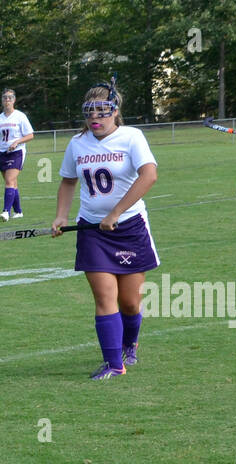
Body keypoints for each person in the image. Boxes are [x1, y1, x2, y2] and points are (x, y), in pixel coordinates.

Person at [52, 82, 159, 380]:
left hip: (131, 227)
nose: (95, 118)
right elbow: (68, 181)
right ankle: (114, 363)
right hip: (92, 230)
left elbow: (149, 175)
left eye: (102, 111)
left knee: (130, 302)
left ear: (115, 111)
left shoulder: (131, 138)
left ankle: (129, 343)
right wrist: (61, 216)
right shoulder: (77, 143)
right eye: (90, 113)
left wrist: (116, 212)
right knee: (104, 297)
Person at [0, 89, 35, 221]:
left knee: (9, 181)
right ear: (2, 100)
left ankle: (6, 211)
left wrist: (17, 142)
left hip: (17, 152)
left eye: (10, 97)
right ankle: (18, 212)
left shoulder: (20, 116)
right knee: (12, 183)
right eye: (5, 97)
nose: (7, 100)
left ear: (14, 100)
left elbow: (30, 135)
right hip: (2, 153)